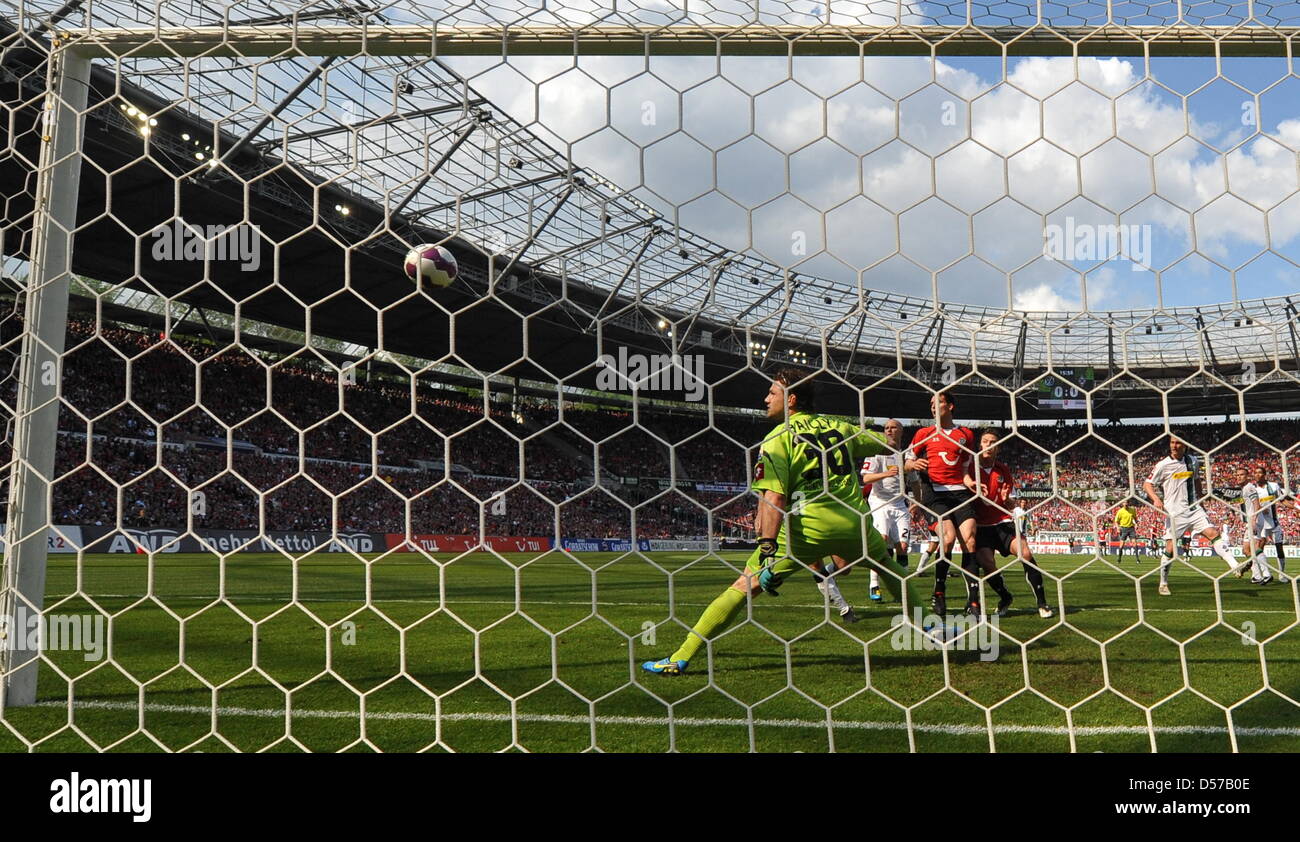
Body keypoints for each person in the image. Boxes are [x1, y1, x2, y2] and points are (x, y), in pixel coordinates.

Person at [642, 369, 918, 675]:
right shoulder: (840, 427)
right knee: (890, 568)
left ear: (792, 400)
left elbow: (774, 499)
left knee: (743, 586)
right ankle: (934, 628)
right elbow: (886, 444)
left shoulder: (777, 438)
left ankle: (680, 657)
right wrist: (896, 436)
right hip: (853, 523)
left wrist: (768, 551)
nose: (765, 398)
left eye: (772, 393)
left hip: (805, 529)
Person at [904, 391, 980, 617]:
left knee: (970, 540)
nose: (934, 407)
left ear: (951, 406)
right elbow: (907, 462)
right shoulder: (923, 433)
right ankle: (939, 592)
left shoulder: (965, 434)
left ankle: (974, 600)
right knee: (946, 539)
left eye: (939, 402)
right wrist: (913, 464)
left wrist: (970, 481)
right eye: (931, 404)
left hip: (960, 494)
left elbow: (965, 468)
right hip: (934, 494)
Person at [1143, 435, 1248, 596]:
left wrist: (1201, 500)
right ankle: (1163, 583)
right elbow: (1147, 484)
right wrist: (1156, 499)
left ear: (1185, 445)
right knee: (1171, 548)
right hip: (1175, 512)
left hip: (1194, 508)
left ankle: (1235, 566)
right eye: (1172, 442)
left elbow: (1197, 480)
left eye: (1178, 442)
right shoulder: (1163, 465)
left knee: (1214, 533)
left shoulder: (1193, 460)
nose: (1174, 445)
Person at [971, 429, 1054, 619]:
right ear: (980, 445)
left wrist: (1008, 501)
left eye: (993, 442)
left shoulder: (1003, 470)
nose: (989, 445)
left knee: (1025, 553)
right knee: (987, 564)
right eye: (985, 441)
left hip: (1002, 522)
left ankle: (1042, 603)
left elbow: (1010, 501)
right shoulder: (970, 469)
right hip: (981, 526)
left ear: (997, 448)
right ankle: (1005, 597)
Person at [861, 418, 910, 603]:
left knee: (903, 548)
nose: (889, 431)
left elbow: (913, 479)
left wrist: (917, 503)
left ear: (901, 431)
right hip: (880, 502)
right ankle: (874, 584)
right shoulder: (876, 452)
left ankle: (902, 588)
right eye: (886, 428)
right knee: (881, 542)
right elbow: (866, 479)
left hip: (900, 504)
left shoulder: (905, 454)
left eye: (893, 428)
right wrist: (887, 473)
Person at [1241, 465, 1290, 585]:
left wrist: (1295, 506)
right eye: (1255, 473)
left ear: (1264, 475)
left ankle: (1281, 575)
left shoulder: (1274, 486)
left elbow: (1282, 500)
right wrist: (1260, 510)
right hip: (1260, 522)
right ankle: (1259, 574)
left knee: (1279, 548)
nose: (1257, 475)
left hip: (1273, 523)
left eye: (1259, 473)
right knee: (1258, 549)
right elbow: (1253, 504)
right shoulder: (1253, 488)